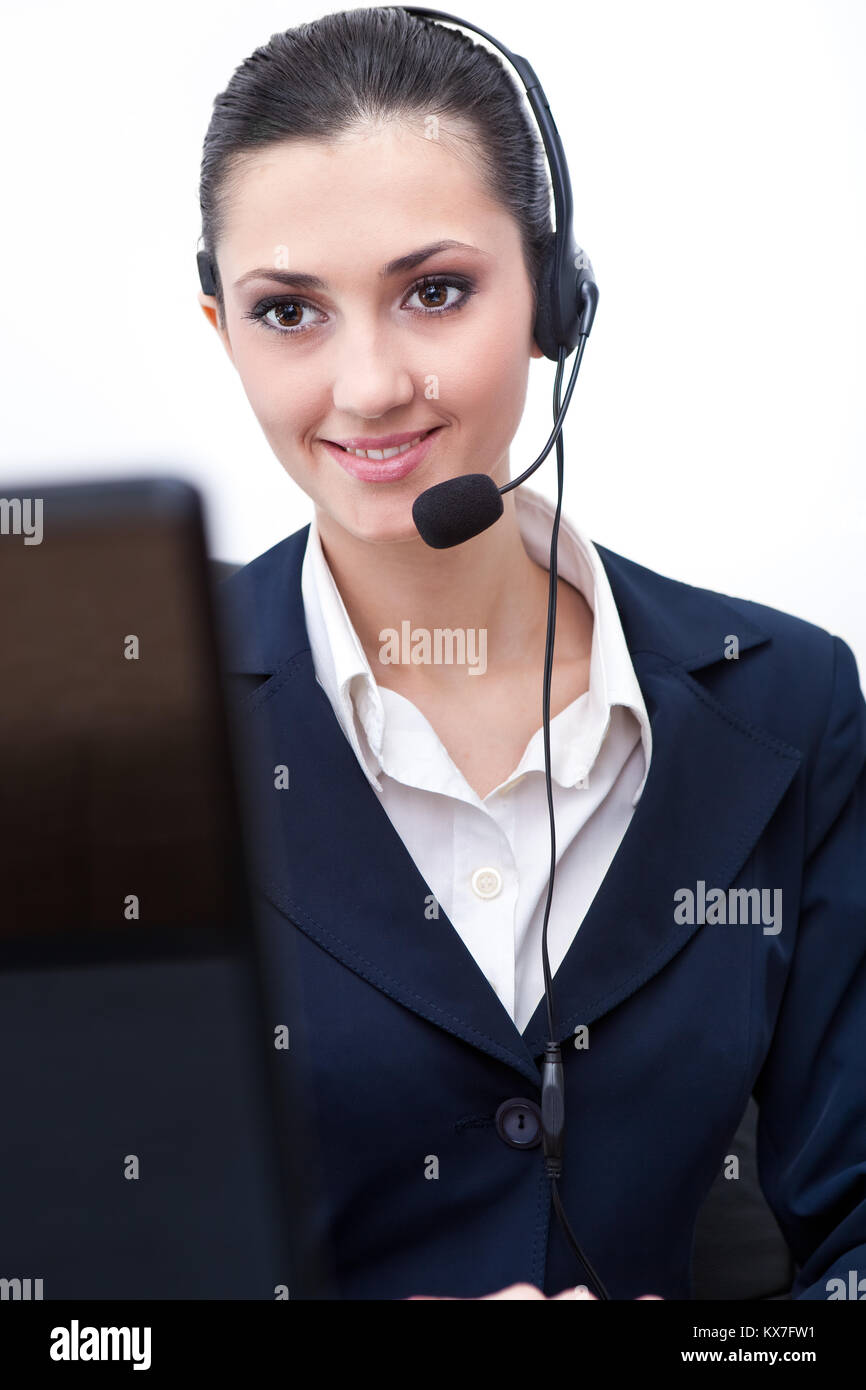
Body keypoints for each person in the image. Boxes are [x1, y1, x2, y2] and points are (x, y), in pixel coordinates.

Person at [197, 7, 866, 1300]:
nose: (370, 383)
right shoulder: (114, 719)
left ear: (559, 303)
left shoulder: (788, 704)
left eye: (433, 290)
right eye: (290, 311)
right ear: (220, 327)